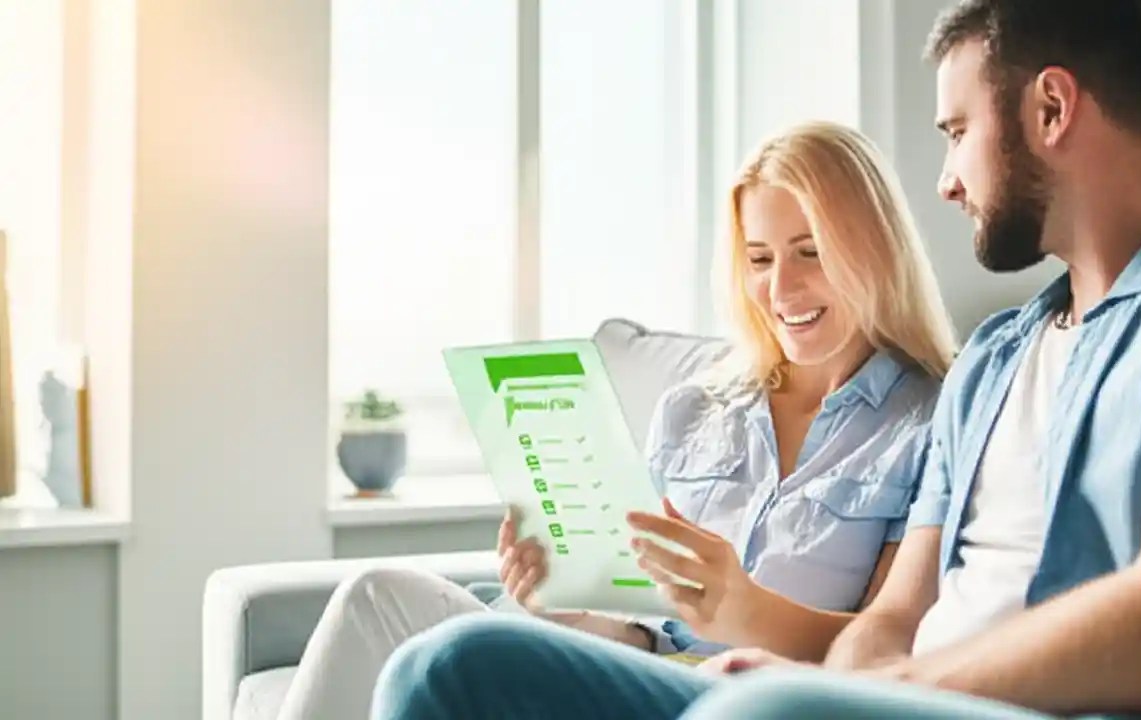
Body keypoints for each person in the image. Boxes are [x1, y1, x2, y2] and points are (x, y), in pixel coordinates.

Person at [370, 1, 1141, 718]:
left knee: (753, 715)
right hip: (887, 698)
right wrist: (830, 675)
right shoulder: (996, 360)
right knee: (447, 665)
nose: (946, 180)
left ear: (1051, 108)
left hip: (1020, 706)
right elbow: (893, 620)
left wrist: (859, 689)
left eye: (956, 131)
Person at [275, 120, 957, 720]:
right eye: (760, 259)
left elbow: (890, 648)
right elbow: (637, 628)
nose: (781, 288)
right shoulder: (694, 409)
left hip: (740, 693)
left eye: (810, 251)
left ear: (874, 246)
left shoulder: (929, 422)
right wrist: (565, 605)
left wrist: (746, 609)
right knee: (373, 597)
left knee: (450, 659)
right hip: (634, 665)